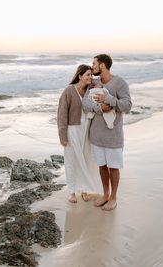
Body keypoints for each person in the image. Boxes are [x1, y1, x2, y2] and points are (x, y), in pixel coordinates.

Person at [82, 54, 132, 211]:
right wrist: (98, 108)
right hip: (96, 135)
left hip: (113, 136)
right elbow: (85, 103)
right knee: (102, 166)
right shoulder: (93, 83)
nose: (92, 67)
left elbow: (127, 105)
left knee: (113, 167)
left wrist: (109, 100)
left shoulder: (119, 82)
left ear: (102, 65)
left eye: (94, 64)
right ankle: (105, 195)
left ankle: (113, 198)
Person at [57, 64, 100, 203]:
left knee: (87, 159)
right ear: (79, 76)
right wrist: (62, 136)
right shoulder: (69, 91)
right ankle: (72, 192)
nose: (90, 77)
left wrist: (93, 82)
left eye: (91, 75)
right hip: (72, 129)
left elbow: (99, 83)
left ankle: (85, 189)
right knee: (71, 160)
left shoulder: (89, 90)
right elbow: (61, 114)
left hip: (87, 129)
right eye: (87, 75)